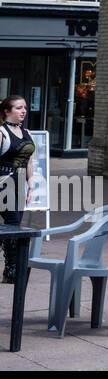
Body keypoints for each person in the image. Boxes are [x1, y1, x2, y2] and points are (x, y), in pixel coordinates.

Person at [0, 95, 37, 284]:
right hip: (3, 184)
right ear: (7, 111)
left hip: (19, 184)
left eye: (24, 107)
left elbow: (29, 160)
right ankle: (13, 269)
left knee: (14, 226)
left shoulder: (26, 132)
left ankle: (11, 269)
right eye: (18, 108)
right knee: (10, 225)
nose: (23, 111)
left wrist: (31, 184)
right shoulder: (1, 133)